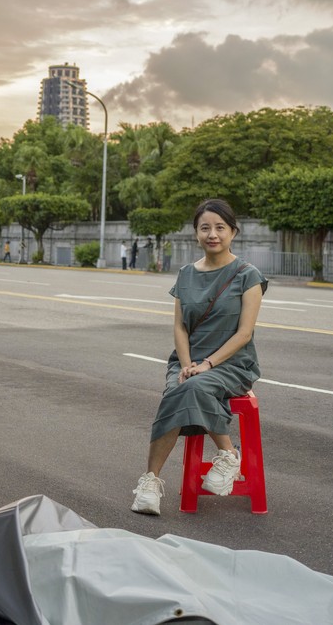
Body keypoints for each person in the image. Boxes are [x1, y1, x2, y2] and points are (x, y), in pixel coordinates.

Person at [131, 199, 267, 515]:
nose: (212, 234)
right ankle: (150, 483)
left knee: (190, 387)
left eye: (220, 227)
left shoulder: (248, 275)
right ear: (196, 233)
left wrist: (206, 364)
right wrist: (187, 362)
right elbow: (179, 325)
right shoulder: (186, 274)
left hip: (232, 363)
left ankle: (228, 454)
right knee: (182, 386)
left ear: (233, 231)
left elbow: (244, 334)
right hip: (188, 360)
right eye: (205, 227)